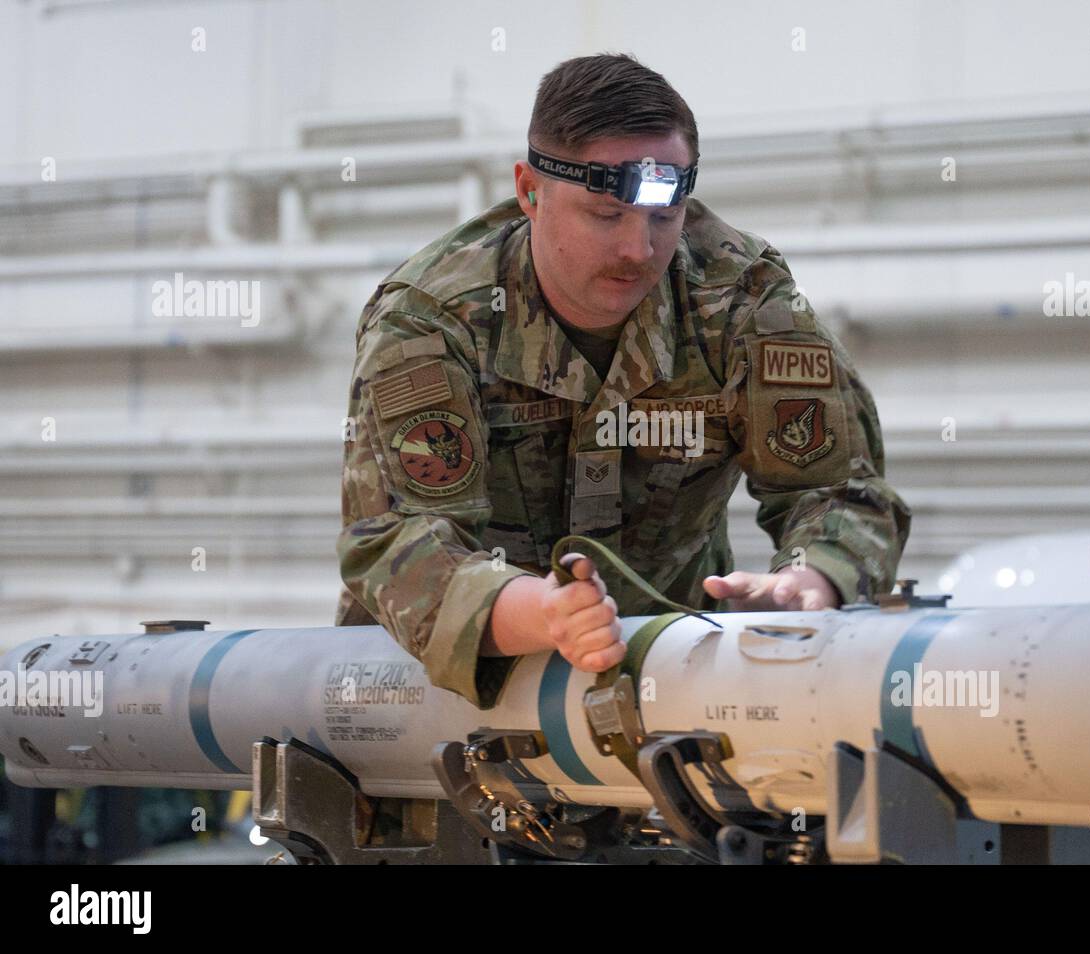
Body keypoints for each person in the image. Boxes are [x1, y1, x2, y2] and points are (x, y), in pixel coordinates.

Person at [335, 53, 911, 709]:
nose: (639, 250)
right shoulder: (434, 320)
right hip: (443, 714)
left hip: (668, 706)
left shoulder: (741, 302)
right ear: (530, 191)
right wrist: (544, 614)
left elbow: (838, 488)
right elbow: (399, 541)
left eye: (664, 218)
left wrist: (814, 582)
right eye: (606, 217)